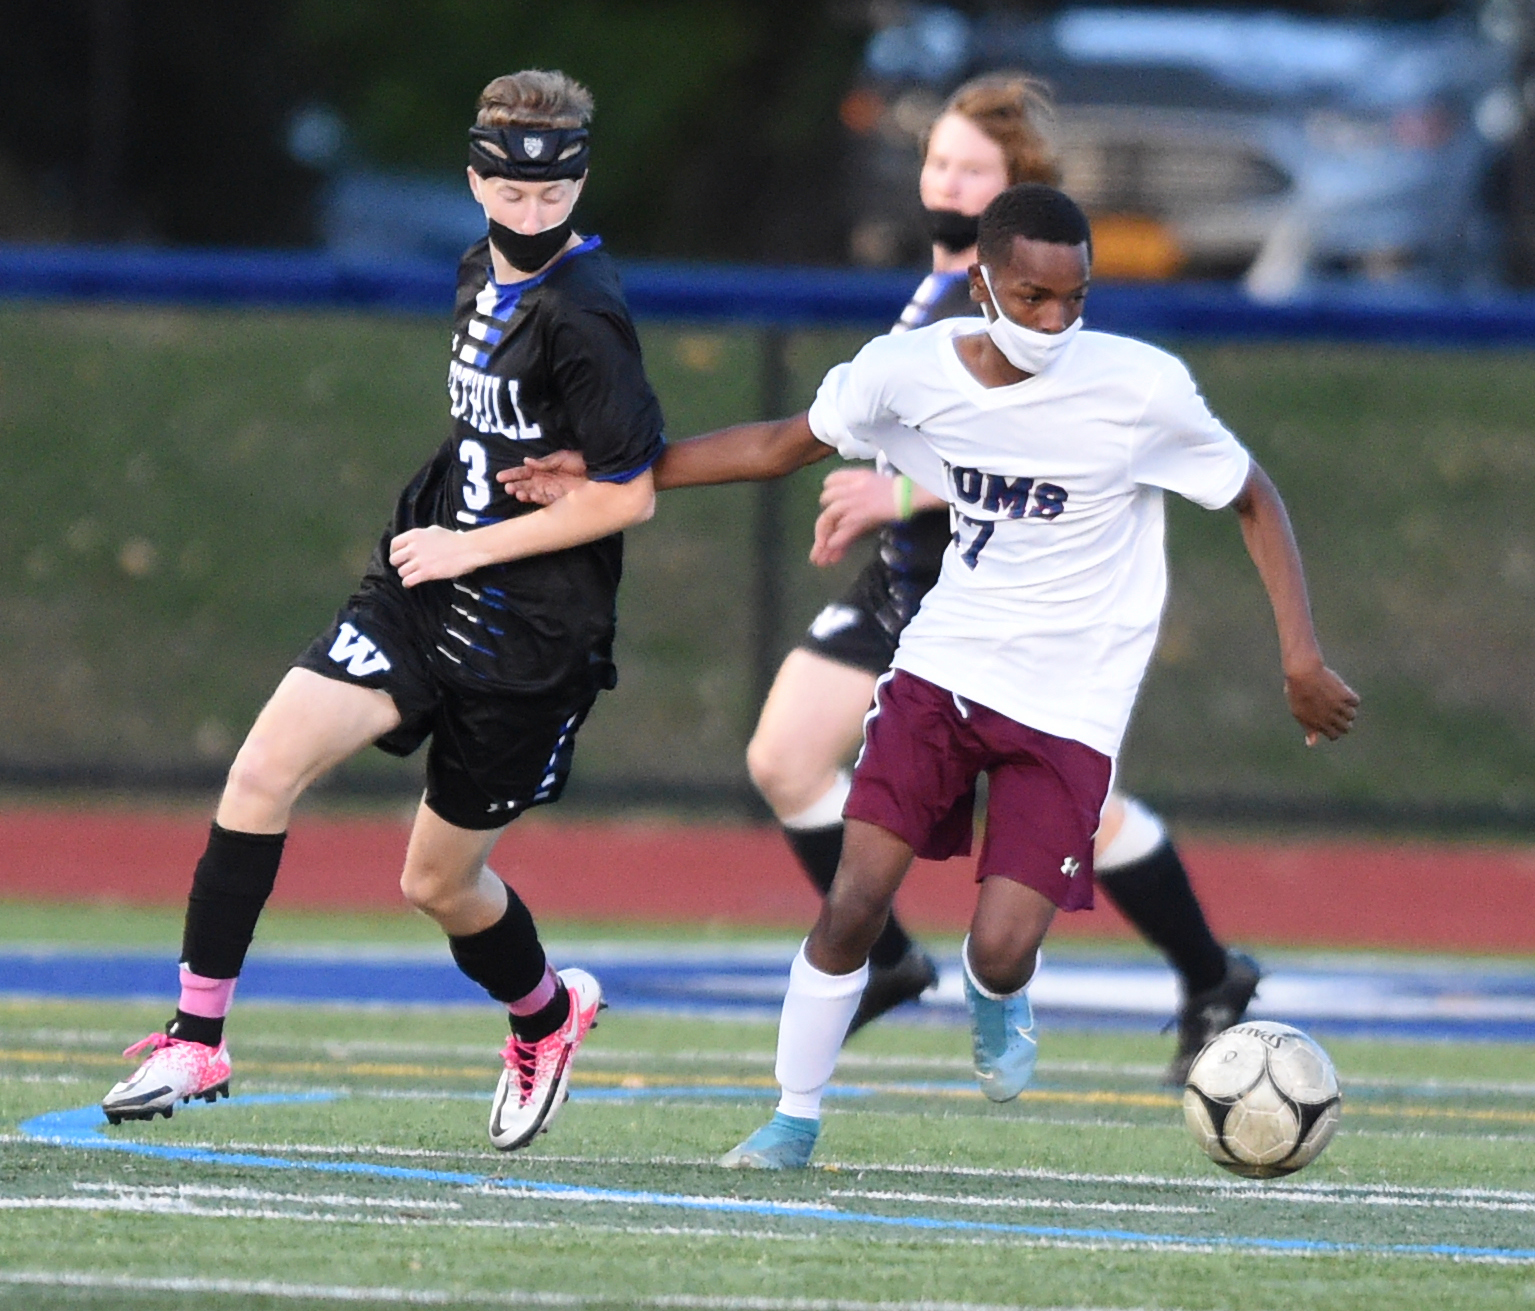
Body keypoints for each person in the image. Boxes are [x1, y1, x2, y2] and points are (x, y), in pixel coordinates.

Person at [505, 183, 1358, 1169]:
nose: (1054, 319)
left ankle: (997, 992)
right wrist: (611, 477)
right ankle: (791, 1117)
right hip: (942, 666)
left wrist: (1298, 654)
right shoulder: (905, 372)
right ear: (983, 283)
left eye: (1074, 299)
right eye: (1033, 296)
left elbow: (1249, 495)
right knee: (853, 901)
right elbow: (777, 446)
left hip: (1070, 706)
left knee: (1001, 946)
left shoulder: (1138, 388)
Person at [99, 70, 664, 1153]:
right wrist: (445, 531)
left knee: (435, 883)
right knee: (262, 770)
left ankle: (546, 1017)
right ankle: (196, 1037)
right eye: (509, 191)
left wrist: (476, 541)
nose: (530, 215)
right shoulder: (473, 271)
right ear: (474, 180)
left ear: (579, 187)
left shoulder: (586, 313)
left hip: (529, 637)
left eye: (552, 197)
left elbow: (629, 490)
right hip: (417, 589)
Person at [745, 75, 1259, 1077]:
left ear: (1011, 189)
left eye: (969, 167)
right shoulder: (937, 291)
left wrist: (895, 497)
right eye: (935, 159)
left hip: (995, 587)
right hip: (908, 589)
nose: (944, 178)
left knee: (1071, 808)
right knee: (783, 758)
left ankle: (1205, 971)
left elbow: (1036, 460)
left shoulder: (1027, 310)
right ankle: (883, 957)